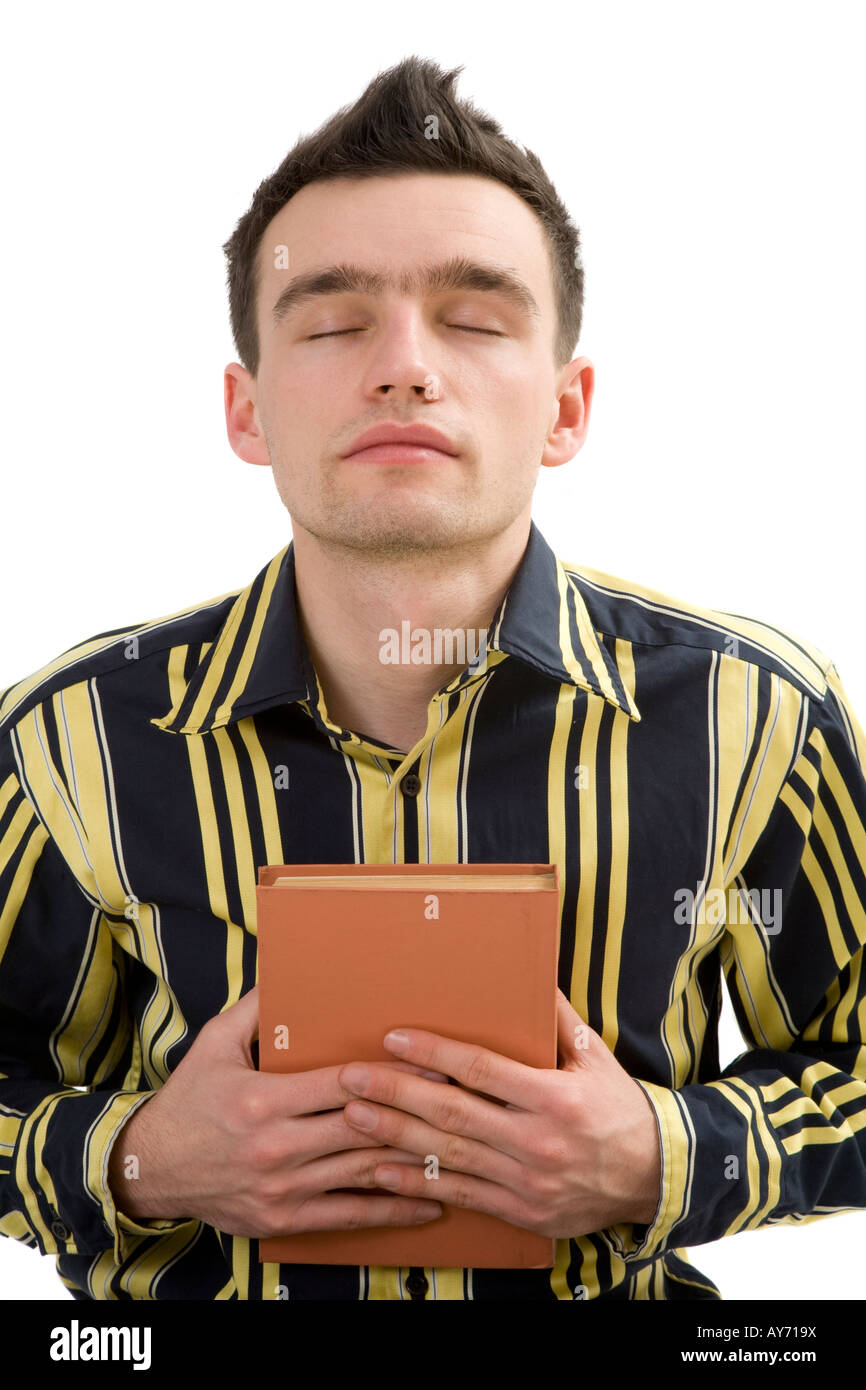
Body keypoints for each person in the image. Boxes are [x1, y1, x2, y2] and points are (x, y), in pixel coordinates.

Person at [1, 55, 865, 1303]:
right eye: (334, 320)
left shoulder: (758, 720)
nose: (403, 364)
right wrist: (138, 1159)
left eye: (472, 317)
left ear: (565, 406)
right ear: (246, 411)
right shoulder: (68, 740)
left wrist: (662, 1157)